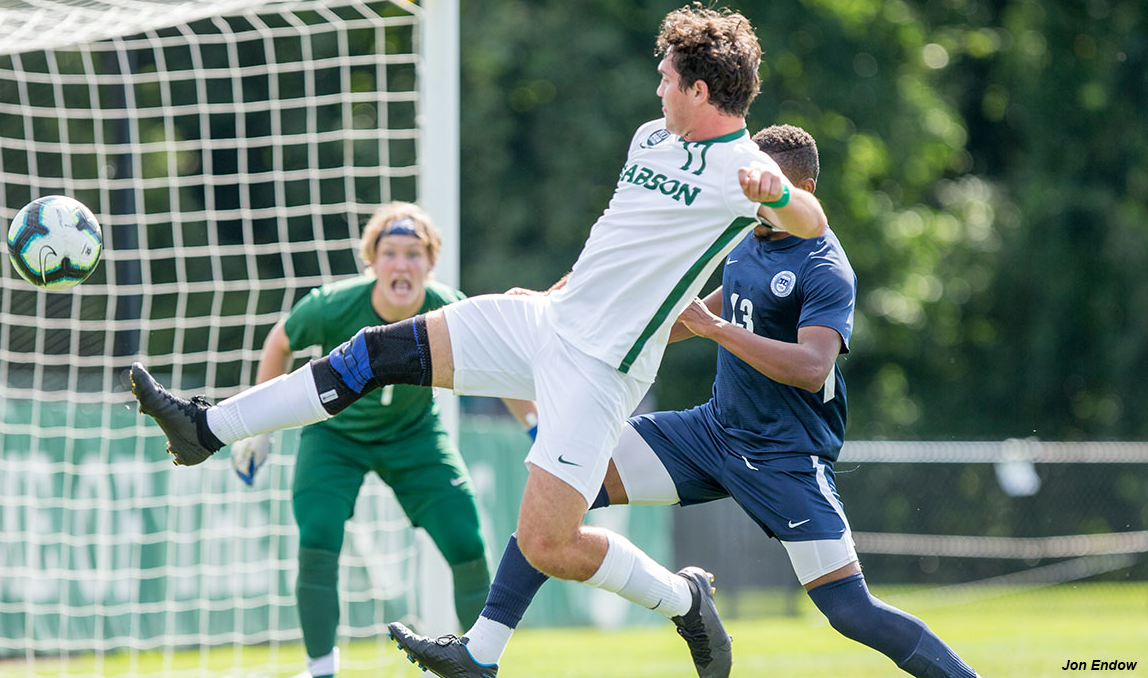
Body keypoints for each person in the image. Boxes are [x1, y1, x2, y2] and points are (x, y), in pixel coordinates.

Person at [130, 4, 827, 678]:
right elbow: (616, 248)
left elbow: (811, 221)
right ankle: (207, 429)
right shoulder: (652, 136)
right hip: (544, 323)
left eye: (669, 78)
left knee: (548, 543)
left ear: (699, 89)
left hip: (599, 371)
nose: (659, 87)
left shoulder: (741, 171)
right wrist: (552, 294)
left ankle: (681, 600)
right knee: (375, 351)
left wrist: (776, 193)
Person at [394, 125, 978, 678]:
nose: (756, 192)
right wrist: (553, 318)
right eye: (752, 179)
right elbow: (678, 312)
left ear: (805, 191)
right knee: (557, 493)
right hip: (712, 432)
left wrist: (713, 328)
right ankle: (481, 654)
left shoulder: (825, 265)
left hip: (784, 458)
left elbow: (811, 367)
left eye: (769, 185)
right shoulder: (747, 240)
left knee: (850, 612)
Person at [224, 202, 535, 678]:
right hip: (335, 437)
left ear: (431, 263)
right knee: (318, 535)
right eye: (390, 253)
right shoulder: (332, 305)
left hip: (415, 436)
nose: (402, 264)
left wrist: (536, 428)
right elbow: (280, 342)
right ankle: (321, 669)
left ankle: (477, 665)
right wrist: (258, 428)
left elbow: (496, 370)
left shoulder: (451, 309)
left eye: (414, 253)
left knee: (466, 541)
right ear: (372, 262)